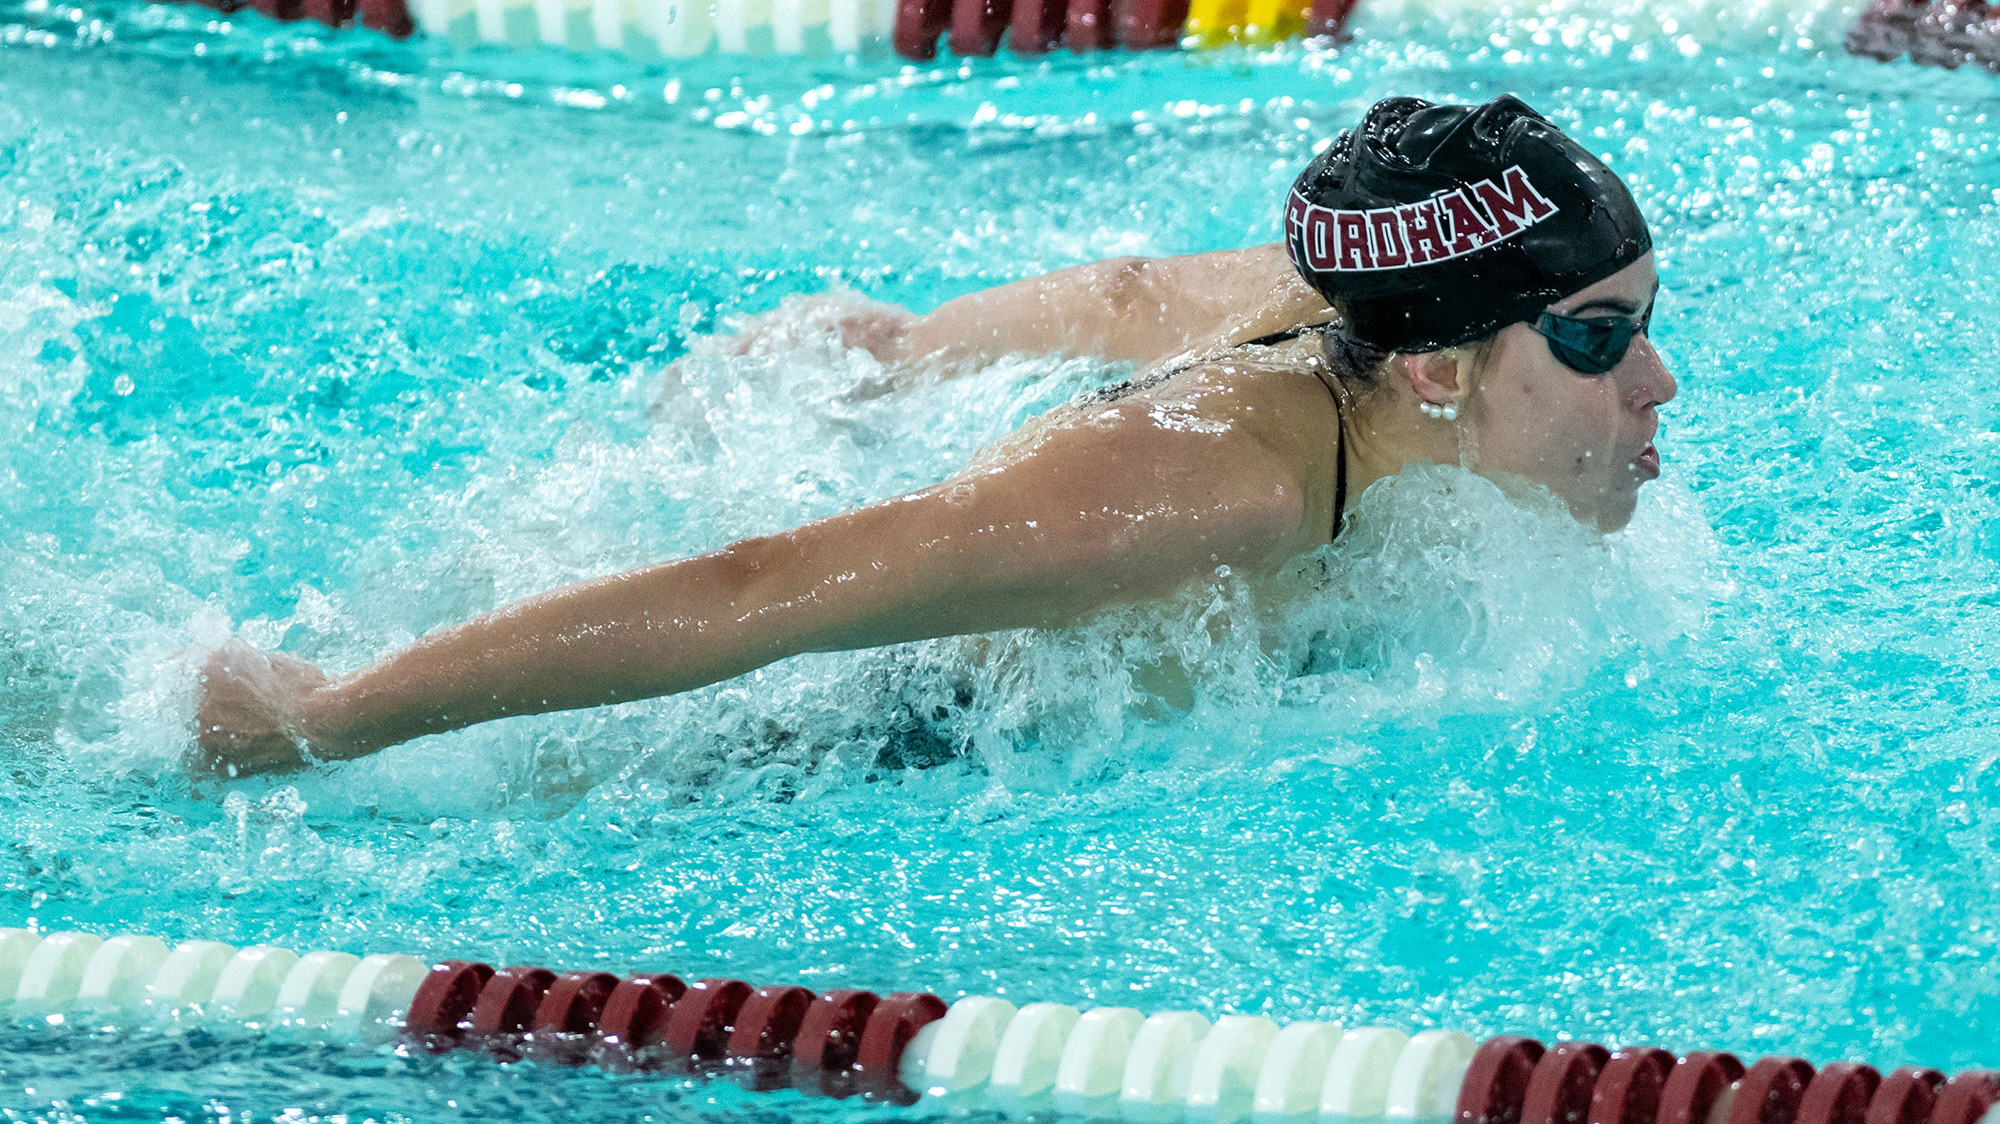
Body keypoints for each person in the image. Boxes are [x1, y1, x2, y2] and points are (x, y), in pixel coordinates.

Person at [194, 93, 1675, 777]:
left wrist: (902, 348)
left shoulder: (1371, 304)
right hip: (870, 729)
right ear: (1436, 370)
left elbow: (1134, 290)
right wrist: (329, 722)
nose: (1659, 382)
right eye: (1601, 339)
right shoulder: (1190, 495)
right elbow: (759, 593)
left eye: (1647, 319)